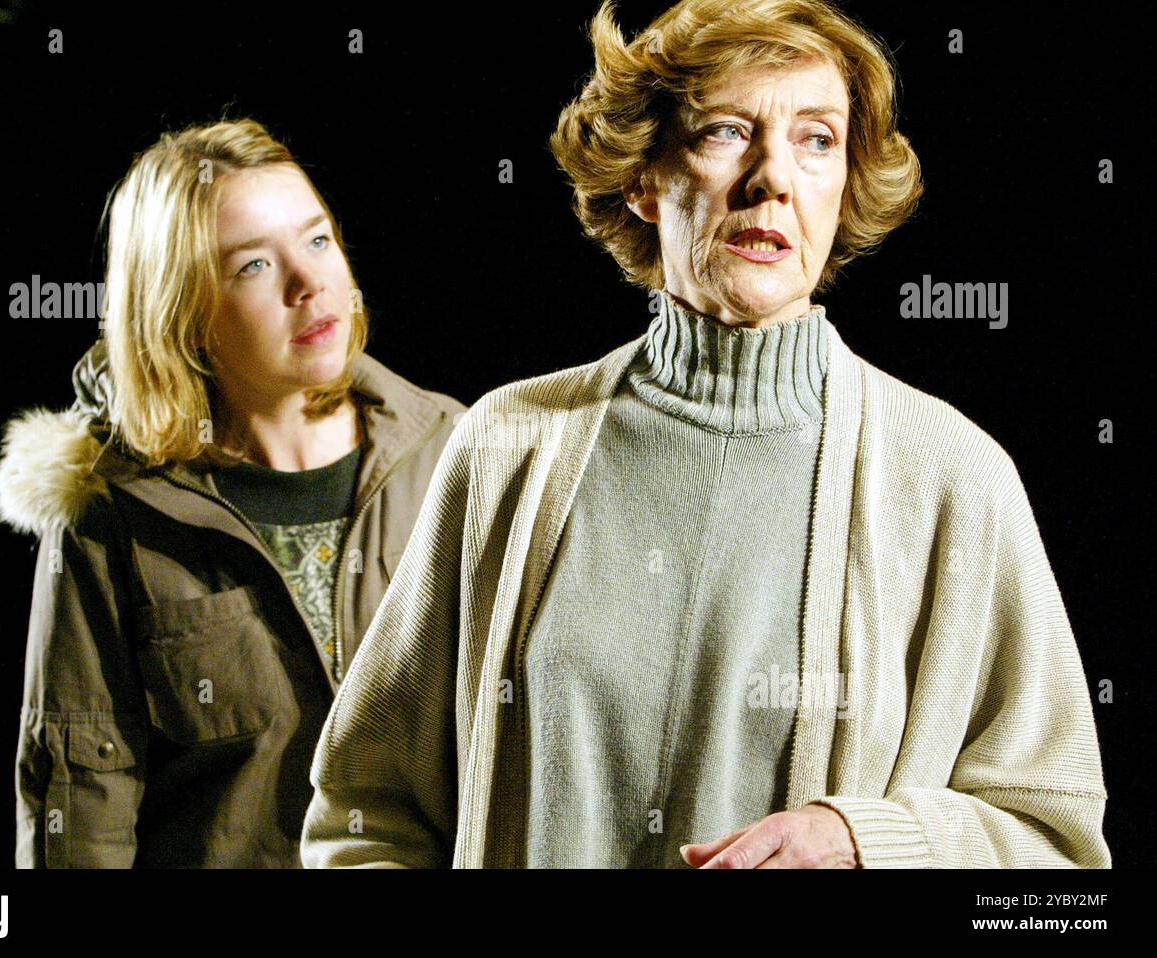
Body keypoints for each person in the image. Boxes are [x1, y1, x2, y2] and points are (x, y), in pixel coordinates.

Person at [300, 0, 1110, 868]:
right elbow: (366, 814)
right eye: (727, 132)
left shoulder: (952, 475)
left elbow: (1055, 857)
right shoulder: (509, 445)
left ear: (847, 183)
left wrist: (864, 841)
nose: (774, 179)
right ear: (643, 179)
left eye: (817, 139)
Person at [0, 117, 466, 867]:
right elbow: (81, 806)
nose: (310, 284)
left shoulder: (453, 455)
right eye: (252, 266)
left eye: (317, 241)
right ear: (182, 313)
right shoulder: (113, 515)